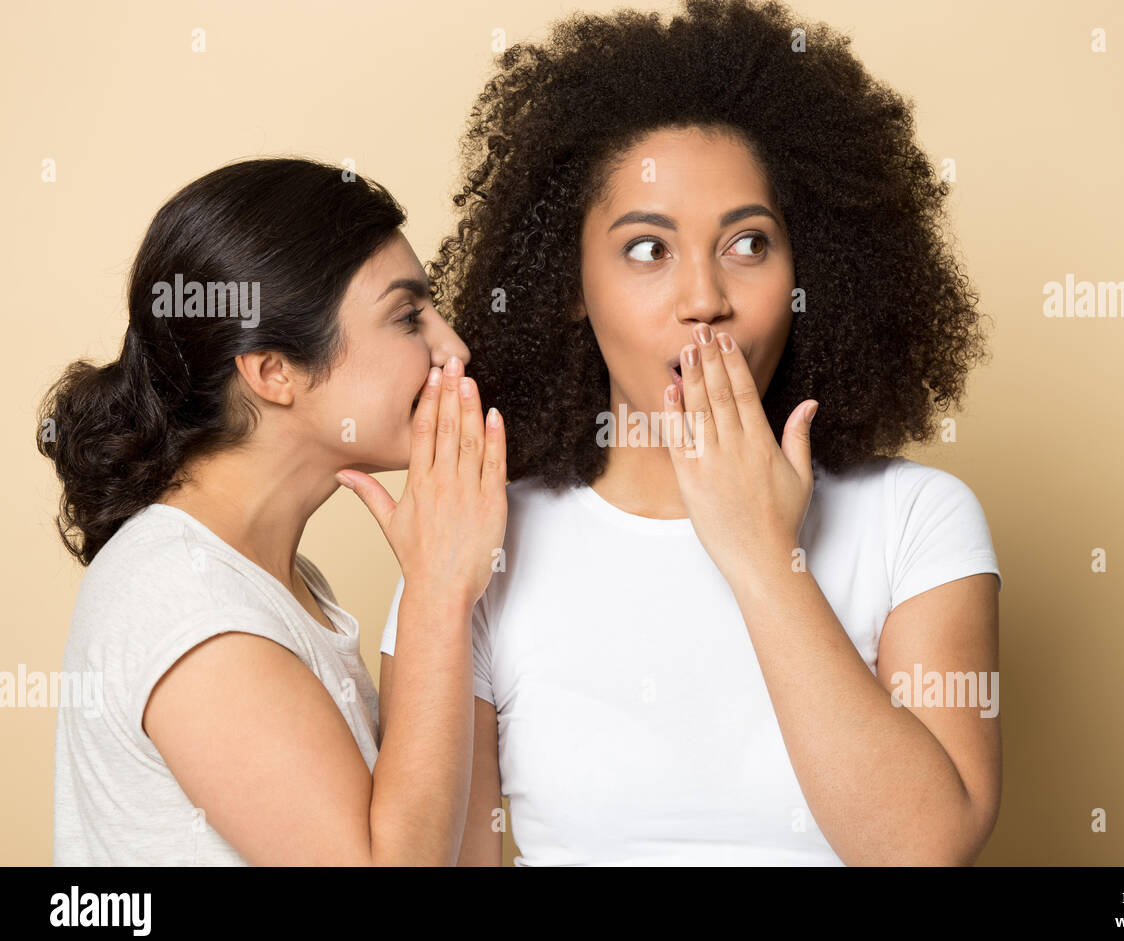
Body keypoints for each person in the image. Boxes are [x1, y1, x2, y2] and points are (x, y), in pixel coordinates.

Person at [382, 0, 1003, 865]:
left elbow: (925, 848)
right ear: (570, 283)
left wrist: (759, 550)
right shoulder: (476, 540)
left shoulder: (916, 519)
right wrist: (438, 597)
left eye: (749, 243)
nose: (704, 298)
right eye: (647, 250)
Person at [40, 157, 506, 865]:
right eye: (409, 316)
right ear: (273, 371)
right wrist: (440, 591)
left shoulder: (276, 581)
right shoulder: (183, 598)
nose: (453, 350)